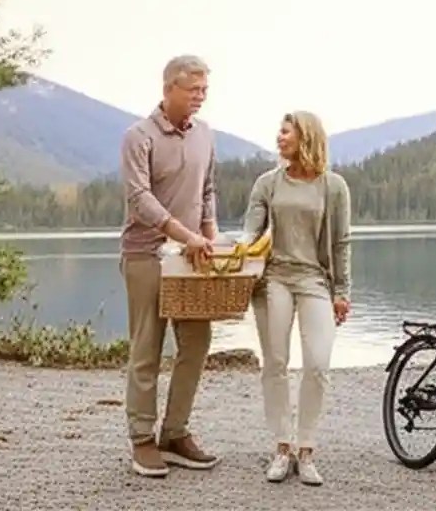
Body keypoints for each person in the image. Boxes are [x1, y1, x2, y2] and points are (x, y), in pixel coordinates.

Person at [118, 54, 221, 478]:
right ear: (168, 89)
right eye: (192, 90)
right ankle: (142, 440)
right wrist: (185, 233)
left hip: (192, 257)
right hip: (145, 255)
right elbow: (140, 199)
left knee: (196, 343)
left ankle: (174, 433)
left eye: (204, 90)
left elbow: (209, 187)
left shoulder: (206, 135)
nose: (200, 97)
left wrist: (209, 232)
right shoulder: (137, 137)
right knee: (147, 347)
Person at [241, 110, 352, 486]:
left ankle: (307, 450)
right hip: (275, 280)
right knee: (275, 363)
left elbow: (340, 243)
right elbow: (250, 234)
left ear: (305, 136)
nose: (279, 137)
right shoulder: (267, 184)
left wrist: (342, 292)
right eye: (279, 131)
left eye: (285, 131)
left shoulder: (333, 186)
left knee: (318, 364)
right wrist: (226, 251)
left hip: (315, 281)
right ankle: (282, 447)